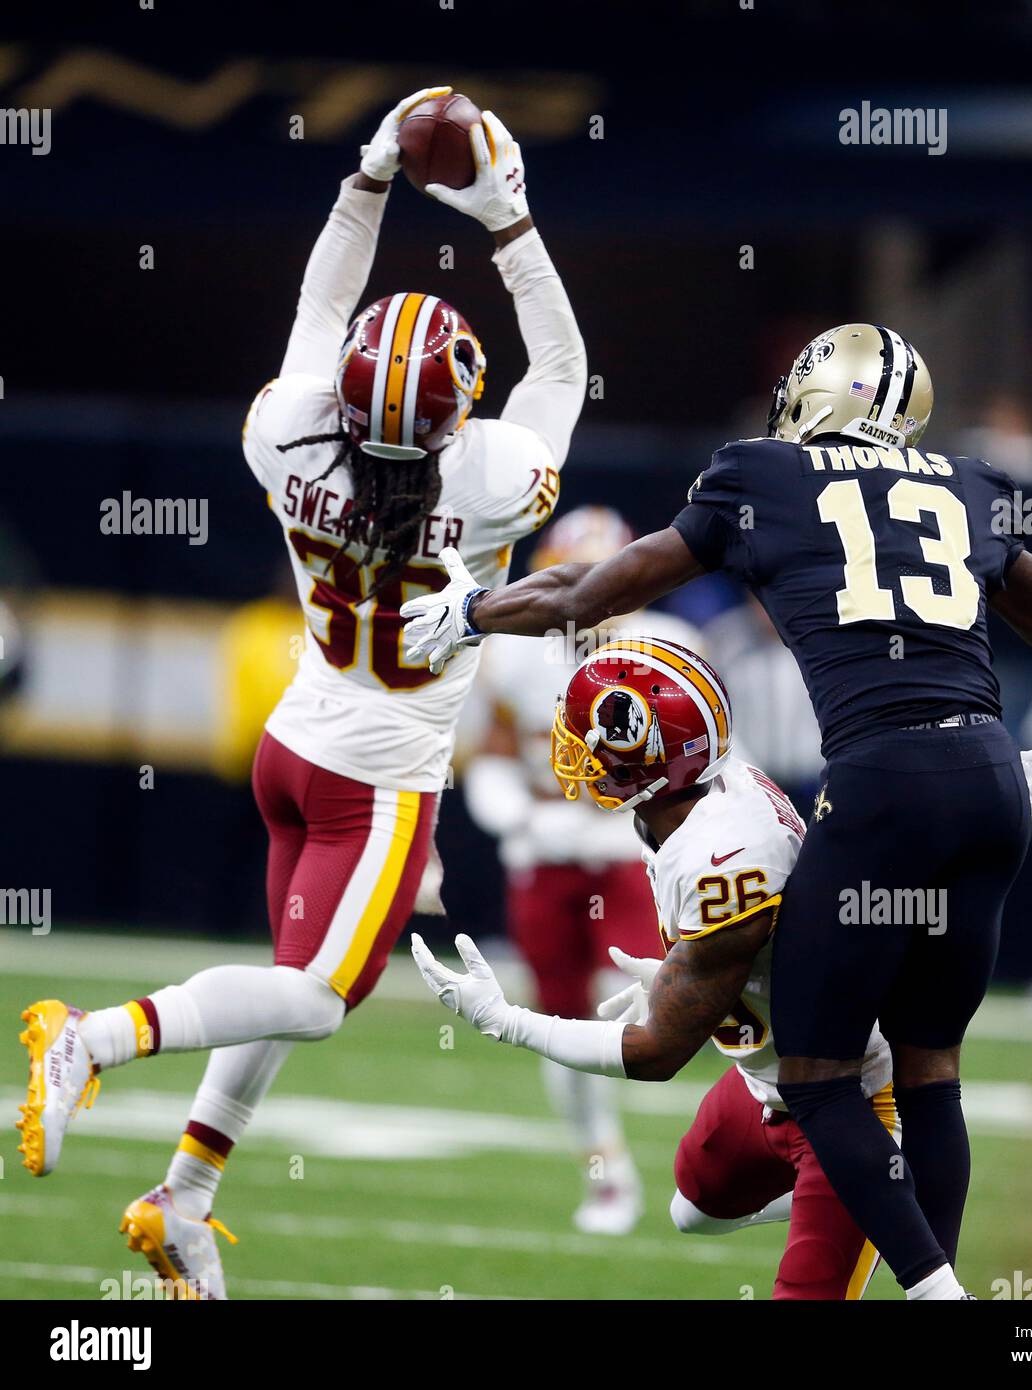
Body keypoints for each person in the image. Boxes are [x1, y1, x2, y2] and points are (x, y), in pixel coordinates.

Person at [400, 322, 1032, 1298]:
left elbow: (587, 592)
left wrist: (472, 612)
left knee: (817, 1077)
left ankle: (934, 1292)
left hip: (882, 780)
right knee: (930, 1072)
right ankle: (932, 1267)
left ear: (816, 394)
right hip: (990, 781)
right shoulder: (966, 485)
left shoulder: (763, 478)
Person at [15, 86, 585, 1299]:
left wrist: (369, 172)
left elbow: (320, 299)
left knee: (283, 991)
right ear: (447, 417)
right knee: (320, 1000)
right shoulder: (484, 480)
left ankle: (186, 1194)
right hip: (381, 773)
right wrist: (510, 220)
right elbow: (565, 370)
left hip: (298, 733)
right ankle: (95, 1039)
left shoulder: (282, 431)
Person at [413, 639, 897, 1299]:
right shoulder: (689, 802)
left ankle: (884, 1191)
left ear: (650, 753)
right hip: (767, 1081)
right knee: (691, 1212)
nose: (573, 750)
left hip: (852, 1105)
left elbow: (654, 1052)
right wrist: (682, 969)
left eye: (591, 737)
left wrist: (507, 1021)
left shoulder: (722, 852)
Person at [464, 506, 701, 1233]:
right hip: (545, 850)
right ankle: (606, 1170)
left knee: (634, 993)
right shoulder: (511, 653)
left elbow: (717, 758)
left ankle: (727, 1158)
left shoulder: (674, 646)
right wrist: (516, 813)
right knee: (558, 1020)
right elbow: (494, 754)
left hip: (631, 848)